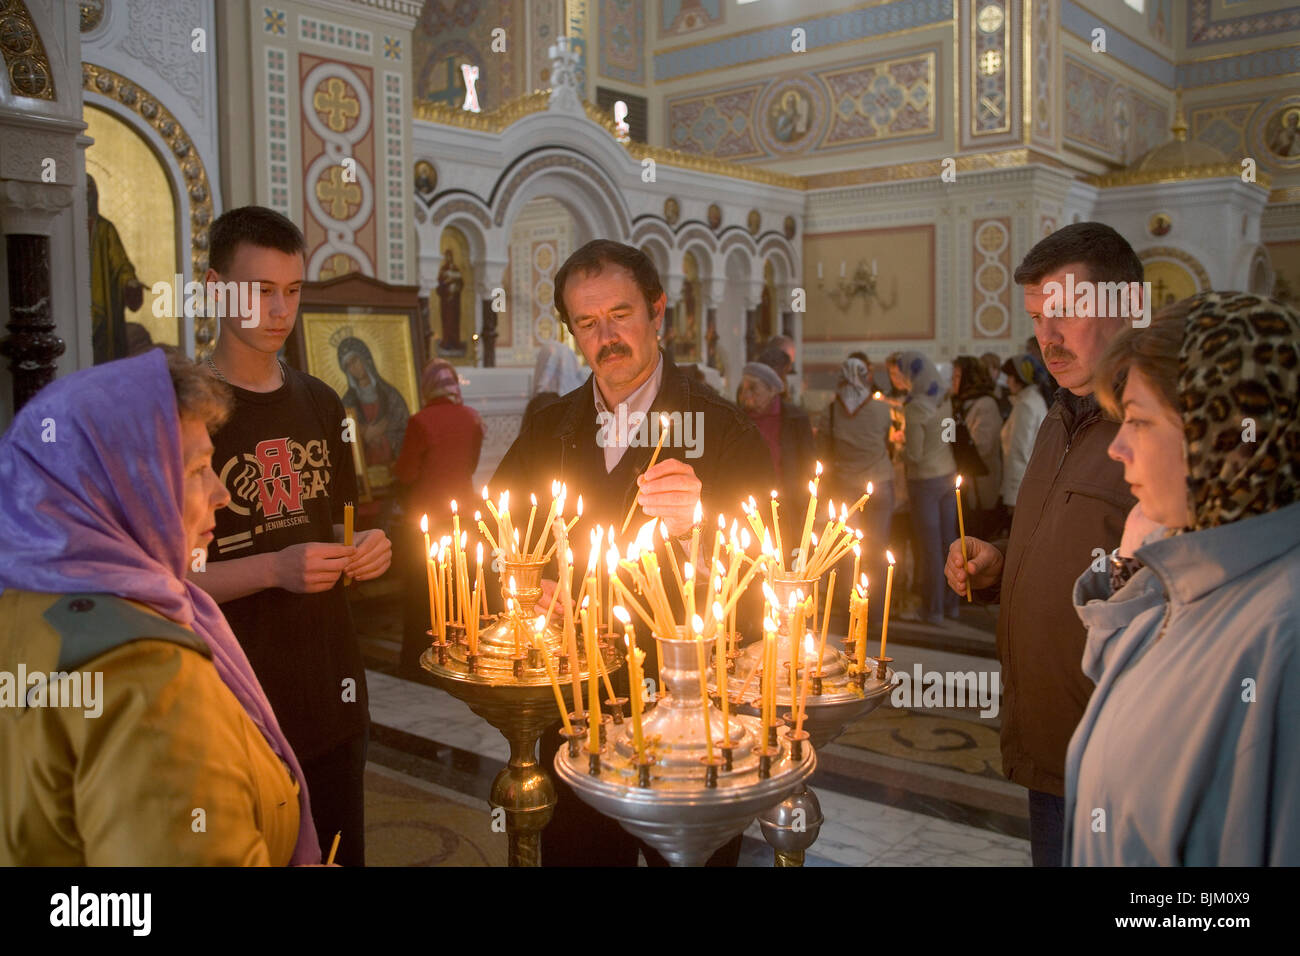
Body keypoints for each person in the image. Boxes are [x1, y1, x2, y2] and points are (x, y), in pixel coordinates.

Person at [492, 239, 775, 867]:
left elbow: (767, 580)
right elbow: (499, 532)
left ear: (658, 313)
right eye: (587, 324)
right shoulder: (551, 428)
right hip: (579, 712)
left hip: (691, 719)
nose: (607, 336)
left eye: (620, 315)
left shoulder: (723, 431)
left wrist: (698, 529)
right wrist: (525, 584)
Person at [0, 348, 319, 865]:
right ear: (121, 487)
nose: (219, 493)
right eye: (196, 469)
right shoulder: (146, 673)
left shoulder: (24, 599)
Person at [189, 206, 392, 867]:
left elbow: (338, 526)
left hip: (331, 694)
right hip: (230, 705)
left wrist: (368, 553)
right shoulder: (181, 412)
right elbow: (160, 577)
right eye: (260, 291)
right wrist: (273, 569)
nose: (280, 311)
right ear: (218, 288)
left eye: (293, 291)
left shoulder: (322, 404)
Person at [1066, 292, 1300, 865]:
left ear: (1226, 435)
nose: (1118, 449)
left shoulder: (1285, 637)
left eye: (1140, 422)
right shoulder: (1191, 571)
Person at [944, 222, 1139, 867]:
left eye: (1064, 316)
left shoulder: (1160, 426)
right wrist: (1001, 567)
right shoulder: (1063, 411)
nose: (1045, 339)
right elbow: (1070, 538)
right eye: (1036, 319)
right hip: (1048, 736)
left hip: (1118, 755)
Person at [394, 358, 485, 675]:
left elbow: (406, 473)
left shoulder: (421, 421)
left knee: (424, 590)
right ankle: (464, 654)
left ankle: (419, 660)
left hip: (426, 518)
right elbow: (471, 465)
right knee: (461, 588)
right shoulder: (472, 418)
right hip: (465, 515)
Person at [823, 355, 894, 631]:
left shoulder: (831, 411)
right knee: (876, 550)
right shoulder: (882, 409)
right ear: (866, 375)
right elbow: (888, 440)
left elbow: (823, 447)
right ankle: (875, 611)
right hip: (880, 484)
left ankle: (847, 608)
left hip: (846, 488)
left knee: (847, 550)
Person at [887, 350, 959, 625]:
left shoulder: (915, 406)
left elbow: (914, 455)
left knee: (928, 548)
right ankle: (952, 604)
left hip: (924, 481)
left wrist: (899, 445)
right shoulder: (942, 395)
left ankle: (933, 609)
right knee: (949, 542)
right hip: (947, 472)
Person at [737, 358, 814, 550]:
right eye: (744, 388)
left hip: (788, 500)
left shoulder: (795, 418)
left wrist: (807, 499)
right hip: (750, 500)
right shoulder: (737, 418)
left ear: (772, 391)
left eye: (753, 388)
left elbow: (807, 460)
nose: (746, 395)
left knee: (787, 550)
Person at [87, 174, 145, 365]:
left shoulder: (105, 229)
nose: (87, 197)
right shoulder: (65, 228)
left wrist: (129, 281)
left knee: (104, 351)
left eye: (90, 192)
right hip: (75, 301)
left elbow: (120, 264)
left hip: (102, 304)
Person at [337, 335, 411, 472]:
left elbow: (405, 428)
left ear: (365, 359)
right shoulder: (347, 402)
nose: (353, 367)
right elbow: (341, 442)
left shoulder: (390, 394)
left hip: (395, 472)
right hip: (363, 477)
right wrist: (363, 436)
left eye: (354, 360)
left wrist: (383, 435)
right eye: (347, 366)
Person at [951, 355, 1004, 539]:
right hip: (965, 482)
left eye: (957, 376)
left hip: (980, 482)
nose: (953, 381)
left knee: (979, 534)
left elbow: (984, 447)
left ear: (969, 377)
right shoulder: (958, 403)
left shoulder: (986, 404)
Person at [999, 353, 1050, 518]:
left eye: (1009, 377)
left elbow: (1018, 453)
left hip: (1023, 486)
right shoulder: (1034, 399)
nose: (1007, 382)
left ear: (1019, 378)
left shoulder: (1025, 405)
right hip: (1033, 481)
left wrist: (1013, 496)